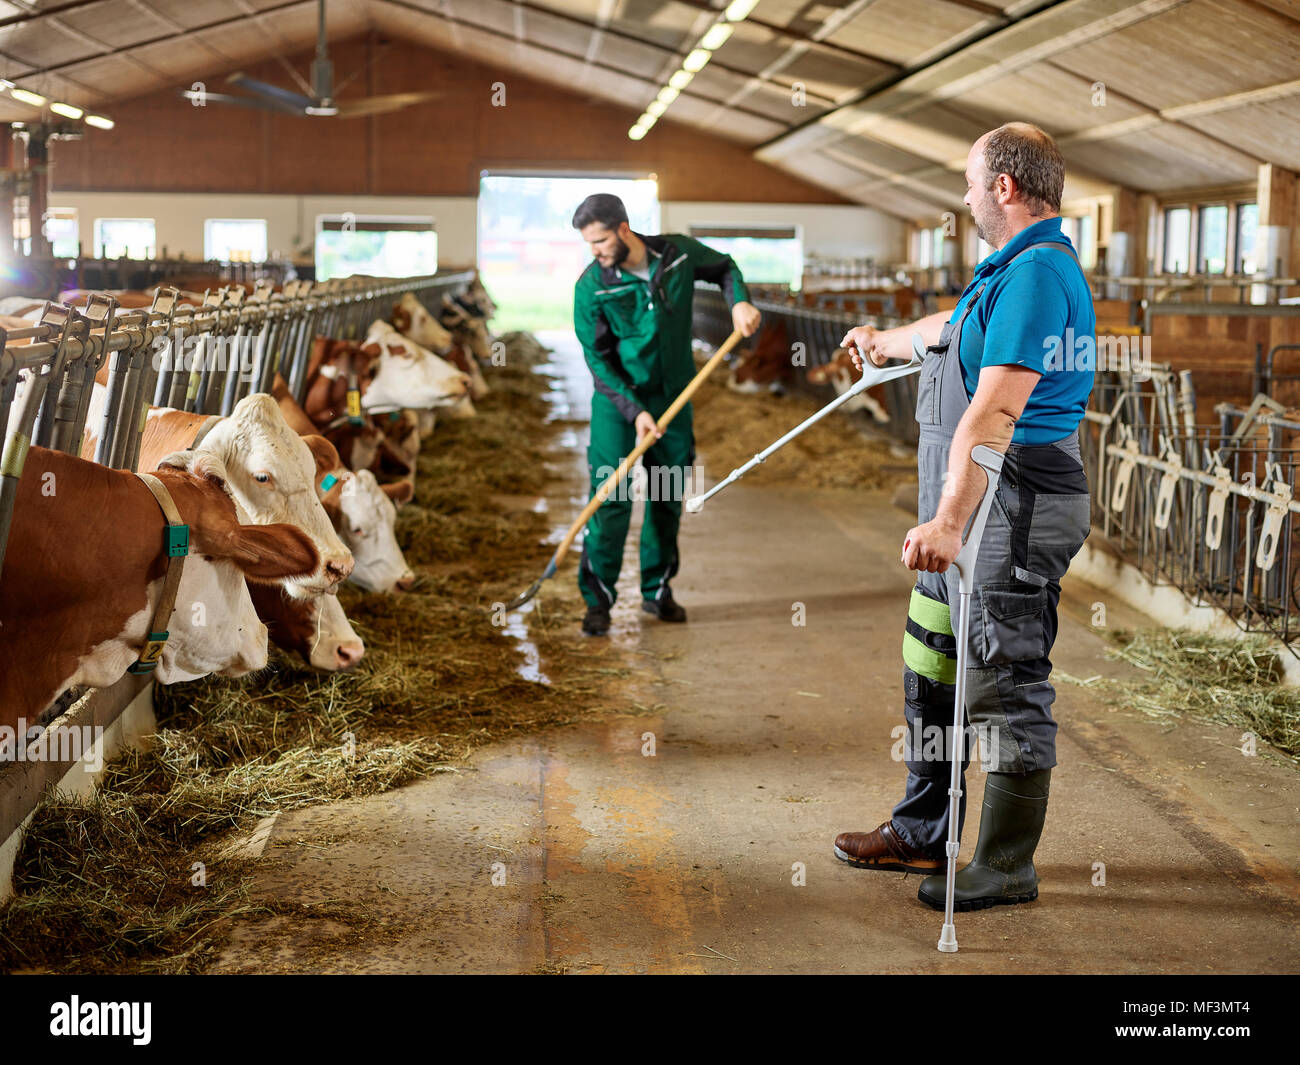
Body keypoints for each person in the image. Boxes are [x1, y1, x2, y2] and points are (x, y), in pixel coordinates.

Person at [833, 123, 1096, 911]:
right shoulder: (1006, 270)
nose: (967, 197)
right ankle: (922, 830)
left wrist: (948, 521)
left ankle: (1006, 862)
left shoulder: (1039, 278)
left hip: (1007, 506)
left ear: (1005, 189)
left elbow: (995, 411)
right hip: (969, 509)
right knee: (934, 664)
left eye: (971, 182)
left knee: (1005, 678)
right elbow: (947, 334)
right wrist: (885, 342)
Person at [571, 193, 762, 637]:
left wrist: (739, 301)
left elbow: (724, 267)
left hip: (676, 396)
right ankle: (598, 599)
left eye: (599, 240)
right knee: (611, 495)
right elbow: (598, 361)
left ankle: (657, 591)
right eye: (589, 244)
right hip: (619, 404)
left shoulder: (676, 254)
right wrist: (634, 410)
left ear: (623, 229)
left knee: (666, 494)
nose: (595, 251)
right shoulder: (592, 287)